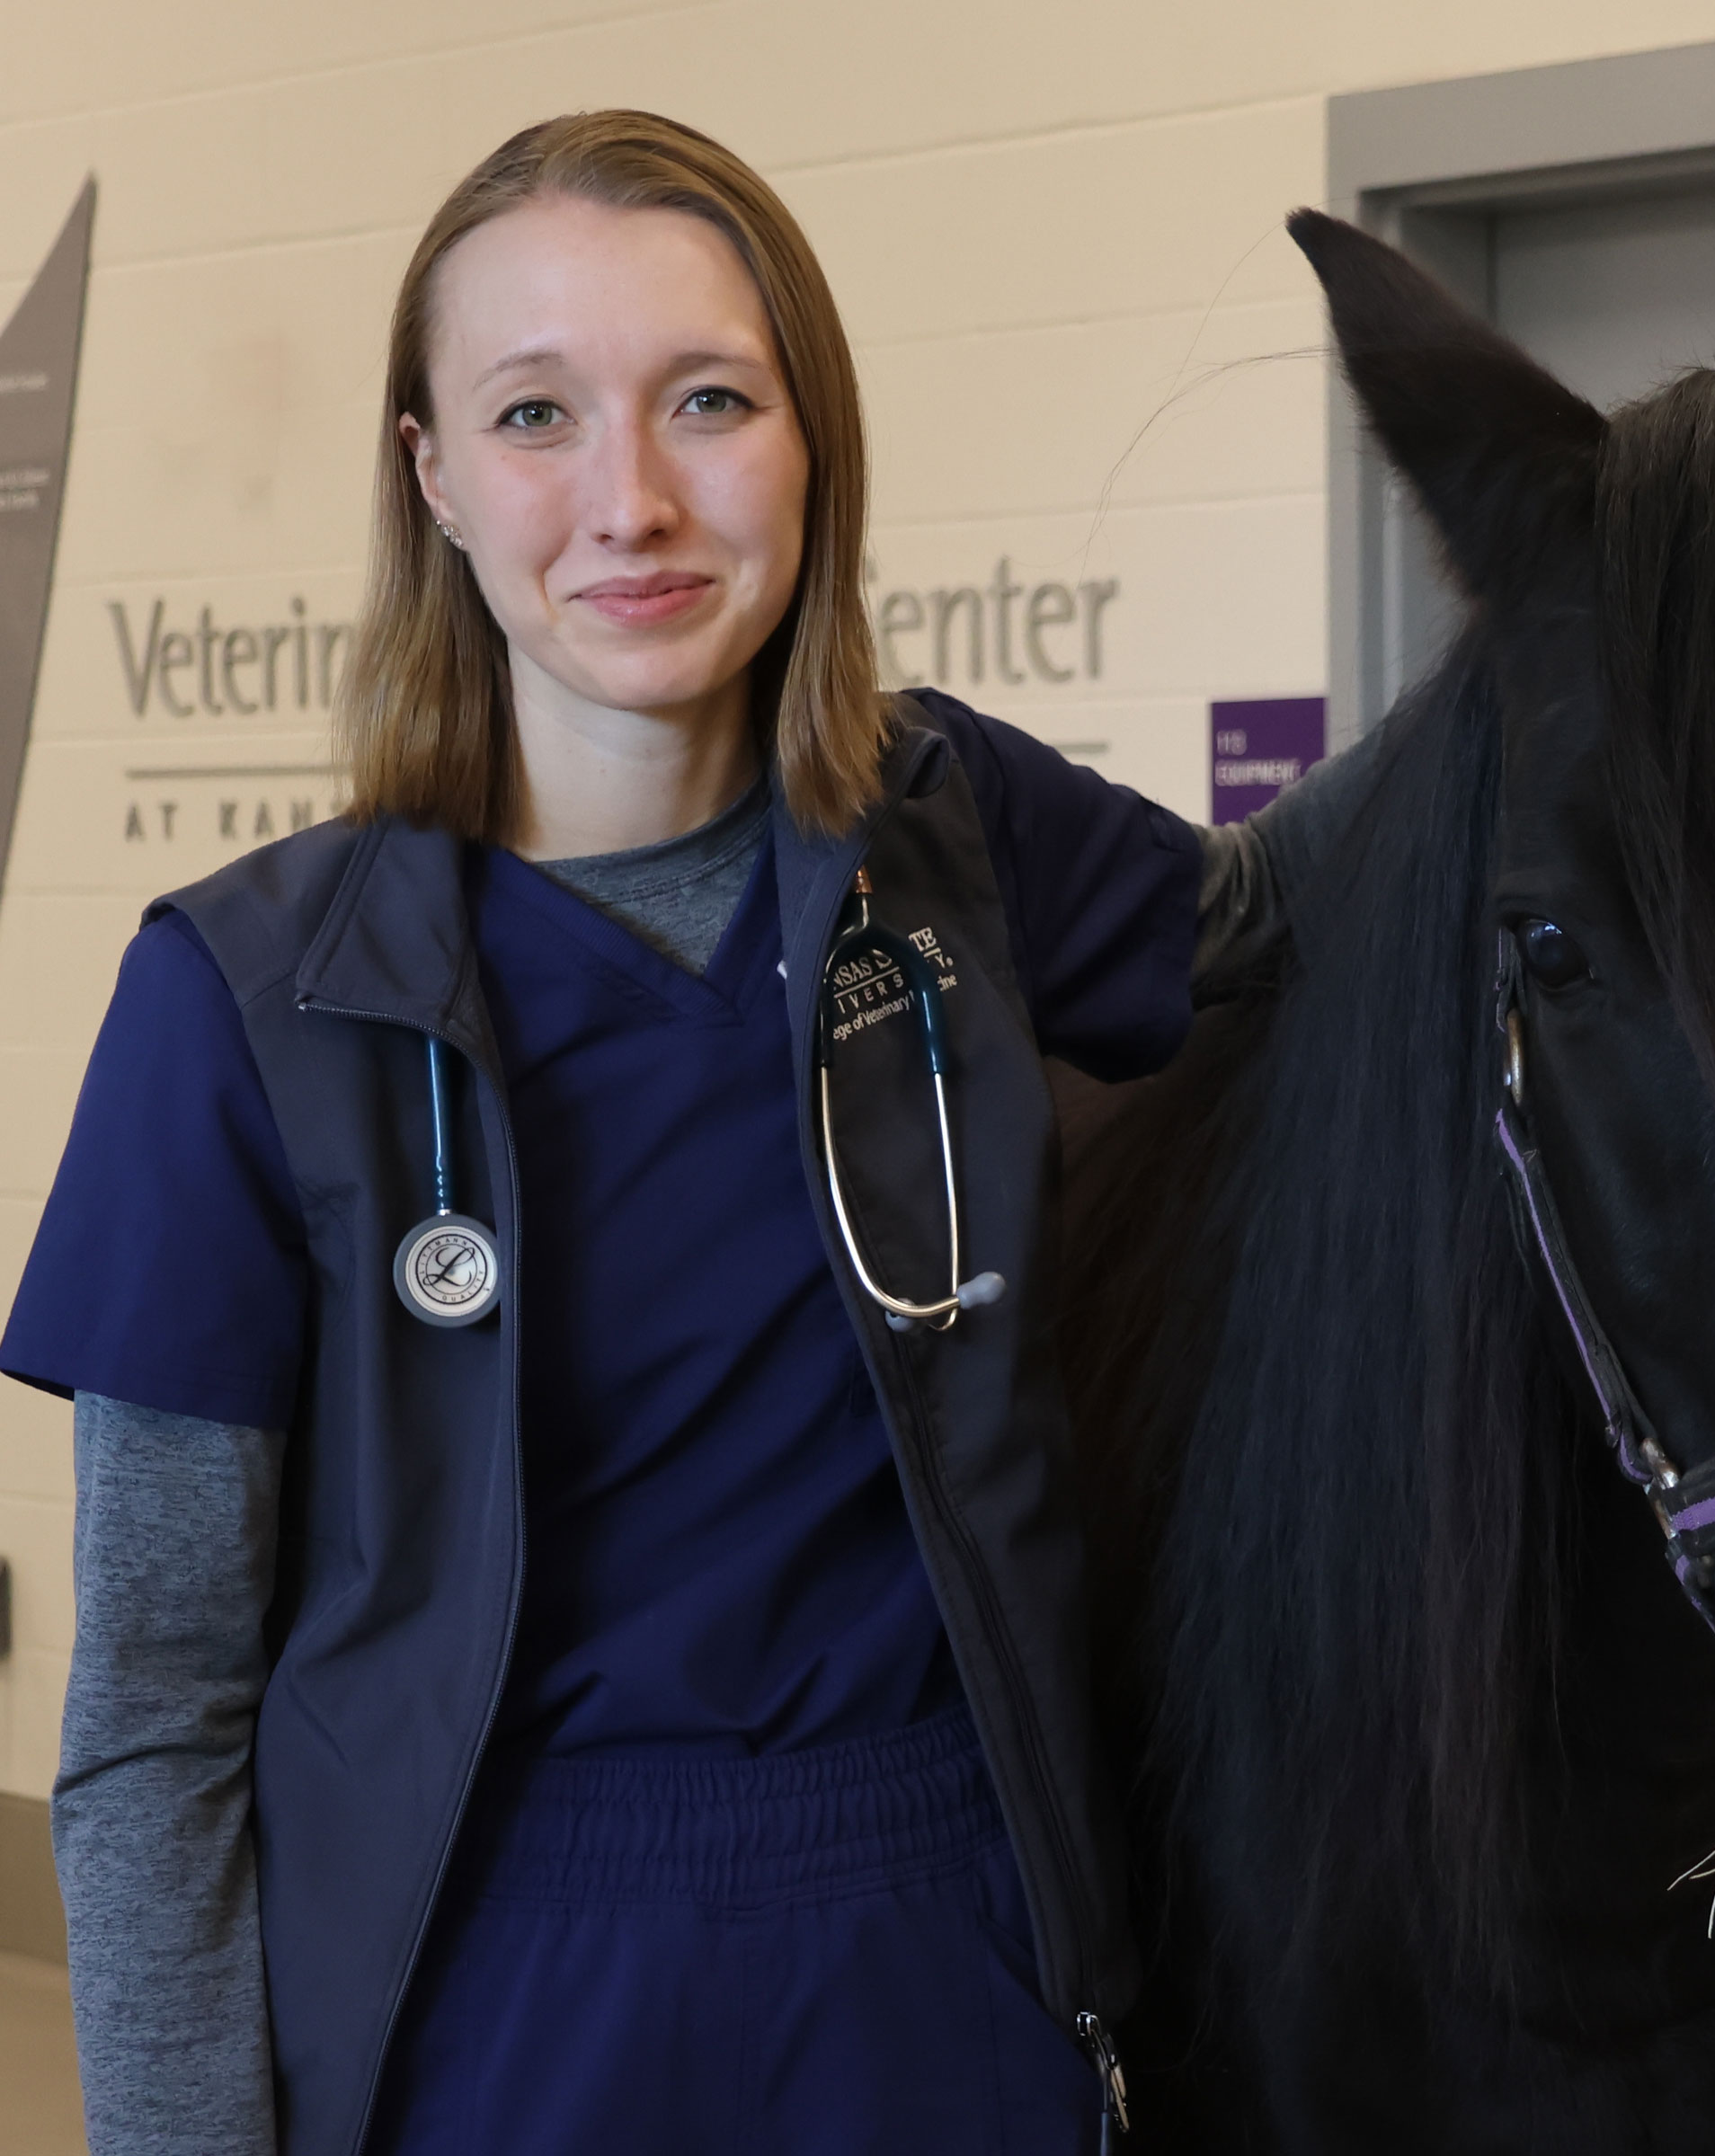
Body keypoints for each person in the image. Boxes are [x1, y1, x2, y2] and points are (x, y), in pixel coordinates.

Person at [0, 110, 1326, 2155]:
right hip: (490, 1991)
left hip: (950, 1957)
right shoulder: (245, 1003)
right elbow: (157, 1716)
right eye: (534, 413)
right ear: (430, 475)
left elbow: (1328, 937)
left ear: (814, 443)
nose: (631, 499)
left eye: (709, 398)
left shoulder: (960, 837)